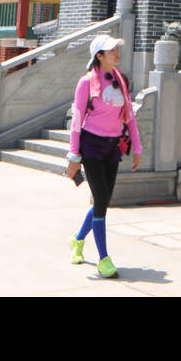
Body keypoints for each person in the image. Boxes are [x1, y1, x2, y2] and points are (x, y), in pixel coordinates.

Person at [64, 35, 142, 279]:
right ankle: (103, 259)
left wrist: (137, 147)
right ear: (99, 55)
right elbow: (77, 120)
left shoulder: (120, 79)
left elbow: (129, 115)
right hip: (92, 146)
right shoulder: (86, 82)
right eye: (111, 50)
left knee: (103, 202)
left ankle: (77, 240)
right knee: (100, 202)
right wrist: (73, 156)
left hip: (113, 147)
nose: (117, 53)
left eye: (117, 48)